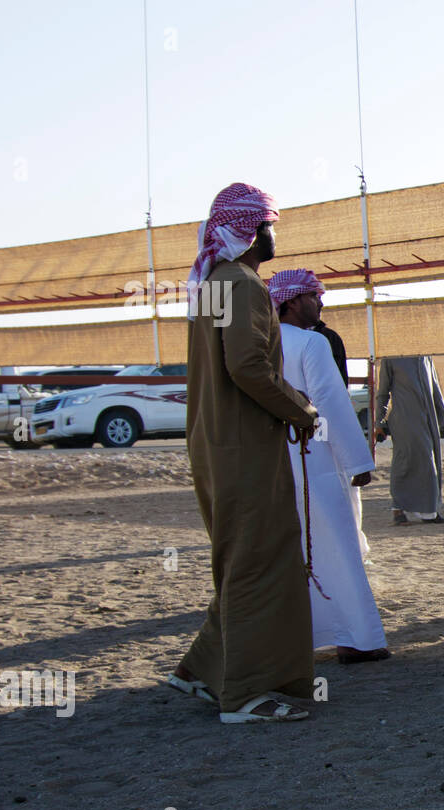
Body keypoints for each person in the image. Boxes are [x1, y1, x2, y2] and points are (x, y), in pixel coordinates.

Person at [167, 182, 318, 724]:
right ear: (253, 230)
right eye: (271, 224)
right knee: (262, 561)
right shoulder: (243, 284)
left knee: (241, 559)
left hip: (216, 443)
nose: (276, 234)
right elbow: (248, 368)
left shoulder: (213, 284)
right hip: (245, 446)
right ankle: (249, 694)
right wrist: (301, 411)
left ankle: (201, 670)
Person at [270, 269, 389, 664]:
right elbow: (331, 405)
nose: (320, 303)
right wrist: (357, 460)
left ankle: (293, 639)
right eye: (313, 297)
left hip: (271, 461)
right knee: (338, 545)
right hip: (313, 459)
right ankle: (356, 640)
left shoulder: (256, 344)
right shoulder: (312, 342)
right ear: (290, 302)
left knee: (288, 549)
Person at [374, 355, 444, 523]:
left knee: (429, 460)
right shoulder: (390, 358)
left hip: (427, 417)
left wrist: (441, 413)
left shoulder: (425, 355)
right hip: (403, 417)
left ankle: (428, 510)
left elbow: (434, 385)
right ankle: (399, 508)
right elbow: (383, 392)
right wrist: (379, 422)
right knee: (405, 461)